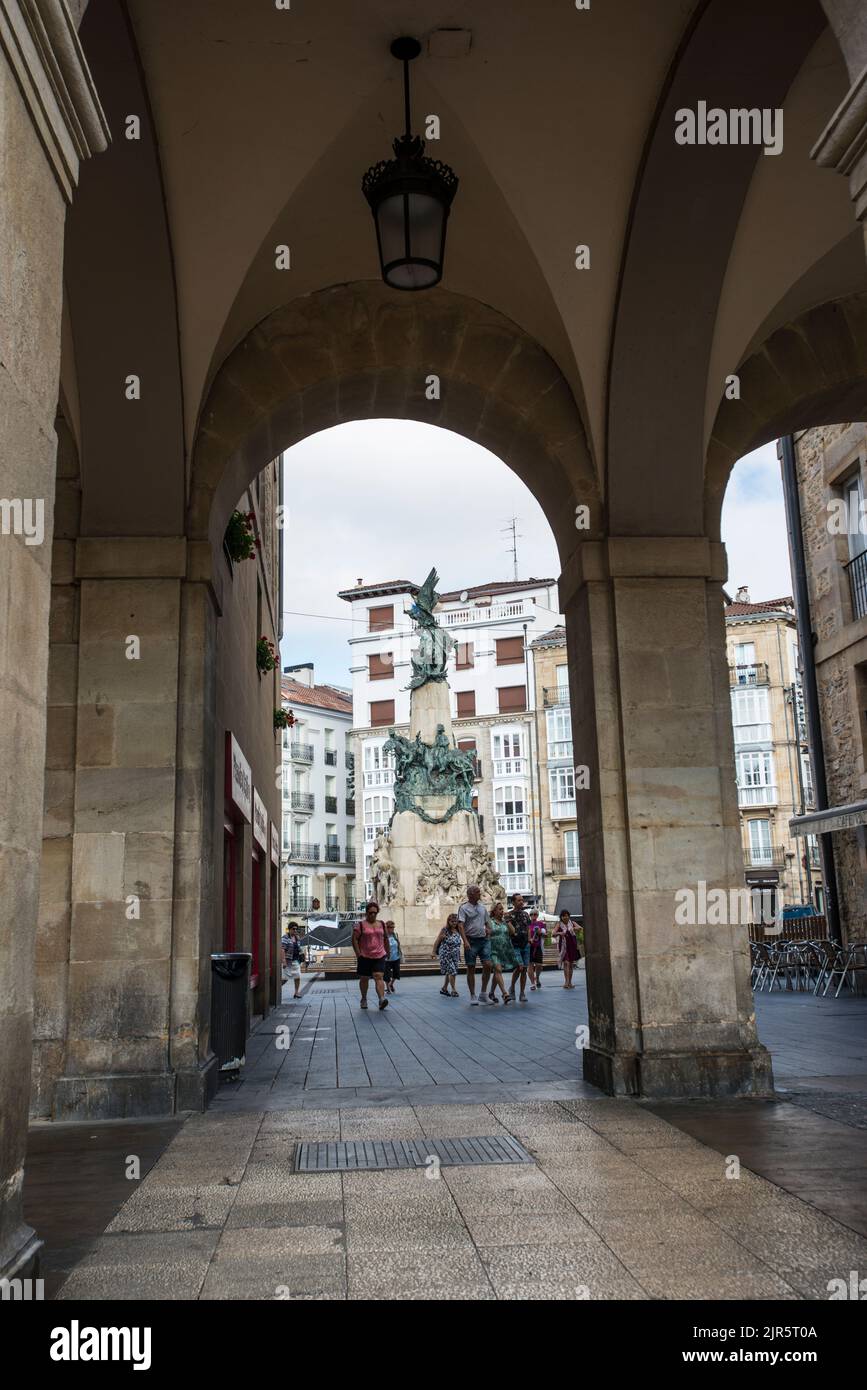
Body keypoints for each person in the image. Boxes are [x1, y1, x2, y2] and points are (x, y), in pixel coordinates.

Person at [457, 884, 492, 1004]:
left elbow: (488, 922)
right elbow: (460, 925)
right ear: (470, 894)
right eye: (477, 892)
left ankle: (483, 993)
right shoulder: (463, 908)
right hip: (471, 940)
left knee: (488, 964)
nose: (480, 893)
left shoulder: (482, 908)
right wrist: (465, 941)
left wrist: (488, 930)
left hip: (483, 940)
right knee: (471, 967)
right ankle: (472, 994)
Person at [351, 900, 389, 1010]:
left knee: (379, 976)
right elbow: (354, 939)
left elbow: (386, 938)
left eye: (375, 913)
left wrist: (388, 951)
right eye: (370, 912)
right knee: (364, 978)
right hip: (365, 956)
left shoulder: (382, 924)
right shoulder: (361, 925)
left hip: (379, 955)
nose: (372, 914)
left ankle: (381, 999)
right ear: (366, 912)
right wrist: (358, 954)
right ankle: (364, 998)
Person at [487, 901, 515, 1004]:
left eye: (502, 909)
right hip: (492, 950)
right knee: (498, 969)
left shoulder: (504, 922)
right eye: (500, 909)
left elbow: (513, 932)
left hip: (503, 950)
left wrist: (508, 921)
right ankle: (505, 994)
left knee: (497, 972)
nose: (502, 911)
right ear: (494, 911)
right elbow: (487, 935)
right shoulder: (490, 922)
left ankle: (491, 993)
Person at [507, 893, 532, 1002]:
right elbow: (508, 930)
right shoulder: (509, 915)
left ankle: (522, 992)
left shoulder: (526, 914)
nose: (521, 902)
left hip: (525, 944)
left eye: (522, 900)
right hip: (515, 945)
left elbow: (528, 928)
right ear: (513, 902)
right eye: (519, 900)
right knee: (519, 967)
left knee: (524, 969)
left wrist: (530, 939)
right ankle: (512, 988)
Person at [432, 914, 462, 996]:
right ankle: (453, 990)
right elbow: (437, 941)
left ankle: (444, 989)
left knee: (451, 971)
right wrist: (433, 952)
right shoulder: (445, 930)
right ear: (448, 921)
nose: (454, 923)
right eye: (452, 921)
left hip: (455, 954)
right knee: (452, 971)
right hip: (446, 954)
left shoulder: (458, 930)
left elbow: (458, 944)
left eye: (455, 921)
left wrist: (459, 955)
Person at [553, 910, 580, 988]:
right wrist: (560, 933)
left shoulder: (572, 923)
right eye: (564, 915)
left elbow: (580, 928)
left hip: (572, 944)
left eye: (567, 915)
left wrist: (574, 929)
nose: (566, 917)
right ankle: (566, 982)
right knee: (566, 963)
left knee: (571, 963)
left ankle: (570, 982)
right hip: (564, 945)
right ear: (561, 917)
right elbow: (553, 933)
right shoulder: (559, 924)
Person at [281, 923, 303, 999]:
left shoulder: (297, 938)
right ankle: (275, 991)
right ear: (289, 929)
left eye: (296, 929)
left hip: (296, 961)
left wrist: (303, 956)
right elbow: (282, 949)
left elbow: (299, 948)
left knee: (298, 976)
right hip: (288, 961)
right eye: (293, 929)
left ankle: (296, 993)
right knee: (284, 979)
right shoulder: (285, 937)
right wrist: (283, 961)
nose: (295, 930)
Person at [528, 910, 546, 990]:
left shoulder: (541, 924)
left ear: (537, 915)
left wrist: (540, 932)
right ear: (530, 915)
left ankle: (537, 978)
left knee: (539, 965)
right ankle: (532, 983)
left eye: (535, 914)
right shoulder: (527, 924)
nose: (533, 916)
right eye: (532, 914)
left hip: (538, 947)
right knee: (530, 965)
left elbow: (545, 935)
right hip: (529, 947)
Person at [383, 920, 402, 993]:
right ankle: (388, 988)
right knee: (387, 974)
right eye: (391, 927)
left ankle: (391, 984)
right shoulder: (383, 936)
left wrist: (399, 953)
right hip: (386, 958)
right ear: (387, 928)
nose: (392, 929)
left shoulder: (395, 935)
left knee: (396, 973)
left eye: (393, 927)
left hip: (396, 957)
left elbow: (398, 944)